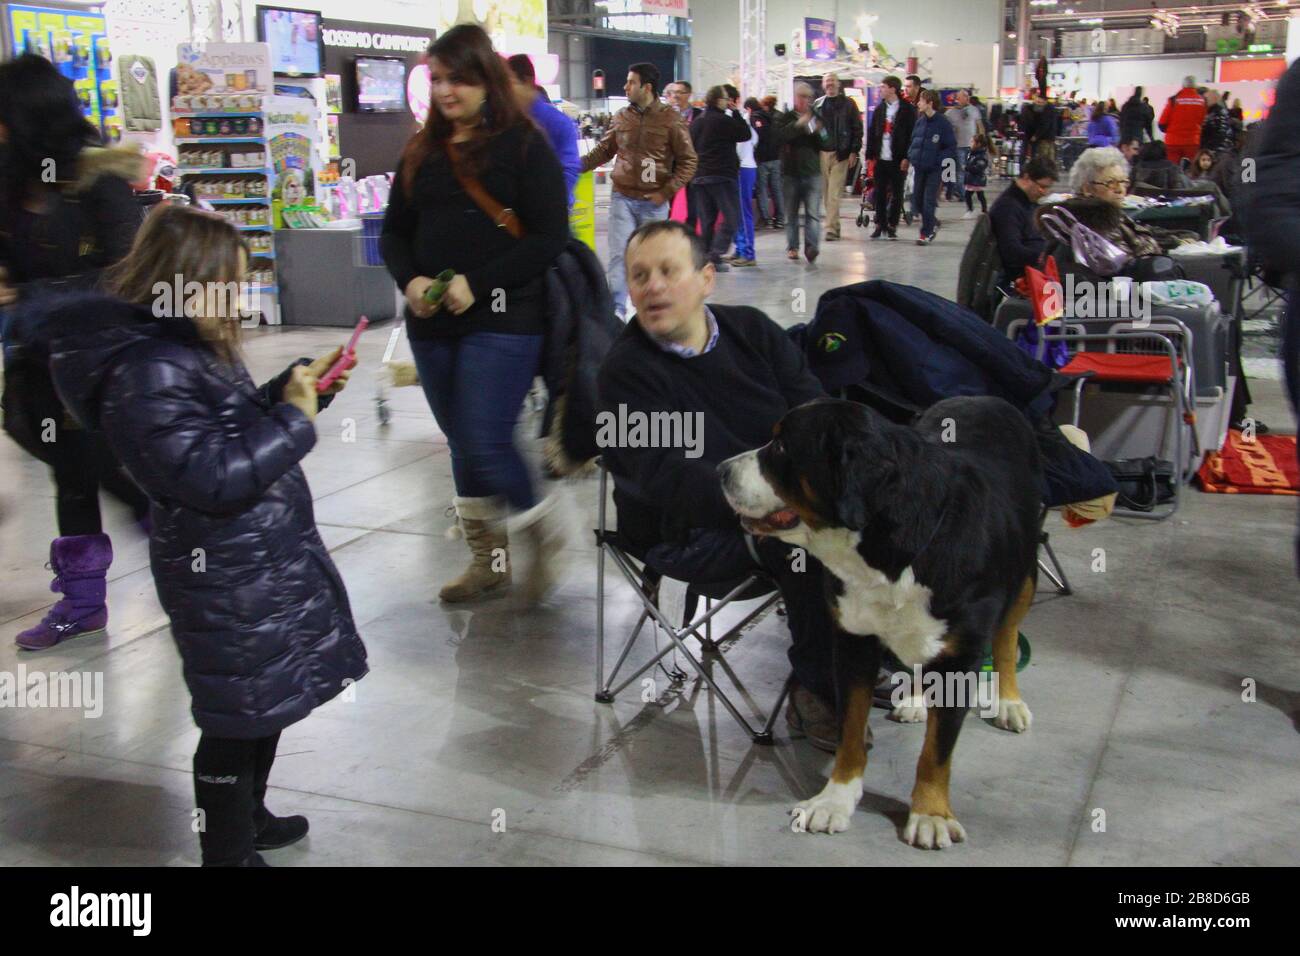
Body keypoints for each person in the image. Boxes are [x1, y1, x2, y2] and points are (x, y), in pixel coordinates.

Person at [46, 205, 369, 866]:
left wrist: (294, 390)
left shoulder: (186, 349)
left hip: (255, 557)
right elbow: (211, 477)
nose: (242, 298)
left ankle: (248, 817)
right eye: (232, 283)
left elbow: (229, 426)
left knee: (267, 702)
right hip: (217, 572)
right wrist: (296, 423)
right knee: (233, 718)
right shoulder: (145, 372)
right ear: (185, 280)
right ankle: (225, 850)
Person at [596, 218, 841, 748]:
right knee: (810, 549)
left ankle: (873, 657)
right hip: (684, 532)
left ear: (706, 278)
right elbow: (667, 480)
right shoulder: (625, 372)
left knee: (873, 517)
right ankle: (818, 687)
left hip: (779, 506)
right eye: (640, 275)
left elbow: (815, 415)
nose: (653, 286)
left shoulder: (751, 331)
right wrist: (766, 513)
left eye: (668, 270)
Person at [381, 24, 571, 603]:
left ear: (486, 80)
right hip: (433, 323)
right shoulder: (421, 149)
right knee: (462, 443)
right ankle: (488, 563)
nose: (446, 91)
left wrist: (478, 282)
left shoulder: (524, 145)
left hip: (506, 316)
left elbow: (548, 238)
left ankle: (545, 527)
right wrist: (411, 279)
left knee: (484, 437)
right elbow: (394, 234)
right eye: (437, 79)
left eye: (458, 78)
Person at [0, 54, 153, 650]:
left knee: (80, 468)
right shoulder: (12, 181)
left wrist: (30, 296)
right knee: (70, 465)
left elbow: (124, 280)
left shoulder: (99, 182)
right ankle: (93, 587)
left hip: (96, 358)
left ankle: (88, 596)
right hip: (36, 361)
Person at [581, 61, 697, 319]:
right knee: (619, 256)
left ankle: (656, 308)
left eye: (631, 82)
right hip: (622, 195)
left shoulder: (671, 120)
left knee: (654, 259)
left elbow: (689, 161)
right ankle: (617, 311)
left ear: (646, 87)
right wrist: (574, 166)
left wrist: (667, 191)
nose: (625, 87)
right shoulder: (622, 116)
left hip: (654, 201)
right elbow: (604, 150)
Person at [1038, 146, 1175, 259]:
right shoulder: (1096, 226)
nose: (1120, 189)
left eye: (1123, 181)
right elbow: (1129, 268)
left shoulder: (1110, 216)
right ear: (1086, 189)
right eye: (1110, 183)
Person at [689, 84, 752, 271]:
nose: (728, 102)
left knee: (707, 221)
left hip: (700, 178)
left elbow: (690, 147)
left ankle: (705, 260)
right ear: (718, 100)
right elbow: (745, 134)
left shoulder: (698, 121)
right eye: (726, 99)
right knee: (732, 217)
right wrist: (737, 113)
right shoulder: (724, 120)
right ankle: (715, 254)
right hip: (722, 176)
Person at [506, 53, 580, 209]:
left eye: (509, 84)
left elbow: (570, 169)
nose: (505, 92)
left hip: (551, 211)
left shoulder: (558, 121)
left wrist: (551, 205)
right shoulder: (504, 121)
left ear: (527, 81)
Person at [774, 83, 824, 264]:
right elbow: (778, 138)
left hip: (812, 172)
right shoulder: (784, 117)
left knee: (813, 214)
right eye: (801, 96)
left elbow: (827, 142)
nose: (805, 100)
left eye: (808, 97)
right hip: (790, 173)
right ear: (794, 97)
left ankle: (812, 247)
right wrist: (797, 125)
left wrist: (819, 132)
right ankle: (792, 246)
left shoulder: (816, 116)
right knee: (791, 214)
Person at [987, 156, 1058, 281]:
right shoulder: (1008, 207)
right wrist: (1044, 257)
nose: (1044, 192)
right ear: (1026, 178)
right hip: (1025, 274)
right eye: (1042, 187)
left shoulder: (1027, 202)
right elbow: (1011, 251)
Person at [863, 74, 915, 240]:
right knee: (879, 191)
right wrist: (870, 154)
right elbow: (872, 132)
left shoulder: (907, 110)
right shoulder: (880, 109)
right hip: (881, 157)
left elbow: (911, 135)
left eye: (883, 87)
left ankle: (892, 224)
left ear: (892, 88)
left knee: (898, 192)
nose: (880, 90)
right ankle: (880, 223)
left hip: (898, 158)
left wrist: (907, 157)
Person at [814, 72, 863, 242]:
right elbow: (813, 129)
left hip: (840, 154)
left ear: (838, 84)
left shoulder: (849, 104)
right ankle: (834, 225)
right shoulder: (817, 105)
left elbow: (857, 128)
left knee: (834, 193)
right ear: (823, 84)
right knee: (826, 194)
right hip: (821, 153)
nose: (830, 83)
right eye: (827, 81)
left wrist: (854, 151)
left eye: (833, 80)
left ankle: (831, 229)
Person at [907, 88, 956, 246]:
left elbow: (950, 147)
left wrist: (939, 161)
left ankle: (926, 232)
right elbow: (914, 141)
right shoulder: (920, 121)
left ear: (930, 103)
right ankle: (932, 222)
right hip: (919, 167)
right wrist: (911, 157)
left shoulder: (943, 123)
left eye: (921, 100)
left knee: (928, 201)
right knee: (917, 201)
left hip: (934, 169)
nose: (918, 103)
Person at [665, 79, 704, 230]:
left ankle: (691, 237)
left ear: (688, 95)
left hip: (692, 165)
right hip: (670, 166)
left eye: (679, 92)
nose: (675, 96)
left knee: (693, 205)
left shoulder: (700, 115)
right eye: (673, 92)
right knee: (665, 205)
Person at [729, 96, 760, 267]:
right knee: (737, 212)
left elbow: (746, 144)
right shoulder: (741, 121)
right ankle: (740, 249)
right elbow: (755, 141)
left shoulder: (740, 122)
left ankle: (748, 253)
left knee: (743, 212)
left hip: (744, 169)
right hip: (742, 168)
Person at [750, 94, 784, 228]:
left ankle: (767, 219)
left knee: (762, 189)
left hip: (762, 159)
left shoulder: (756, 117)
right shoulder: (779, 116)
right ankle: (780, 219)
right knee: (777, 189)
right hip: (776, 157)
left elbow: (756, 138)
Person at [1157, 76, 1206, 166]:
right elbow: (1203, 121)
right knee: (1193, 169)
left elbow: (1162, 122)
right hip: (1192, 142)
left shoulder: (1173, 100)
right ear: (1196, 86)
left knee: (1172, 169)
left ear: (1183, 85)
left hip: (1173, 142)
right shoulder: (1202, 101)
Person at [944, 88, 982, 201]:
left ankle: (965, 191)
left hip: (972, 146)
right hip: (958, 146)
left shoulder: (974, 110)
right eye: (962, 96)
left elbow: (980, 125)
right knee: (960, 170)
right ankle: (962, 194)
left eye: (966, 96)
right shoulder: (949, 113)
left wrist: (982, 139)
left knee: (971, 170)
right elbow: (946, 129)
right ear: (957, 99)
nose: (965, 98)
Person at [1199, 89, 1236, 157]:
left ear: (1214, 98)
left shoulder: (1219, 112)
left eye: (1207, 98)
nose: (1205, 100)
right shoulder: (1212, 111)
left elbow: (1220, 134)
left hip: (1217, 150)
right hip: (1215, 148)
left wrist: (1209, 148)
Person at [962, 132, 991, 218]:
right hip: (971, 179)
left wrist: (967, 168)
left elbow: (979, 167)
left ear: (978, 144)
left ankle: (979, 210)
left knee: (978, 195)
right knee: (974, 195)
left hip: (977, 179)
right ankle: (976, 210)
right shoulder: (971, 153)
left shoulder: (981, 156)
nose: (970, 144)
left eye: (972, 142)